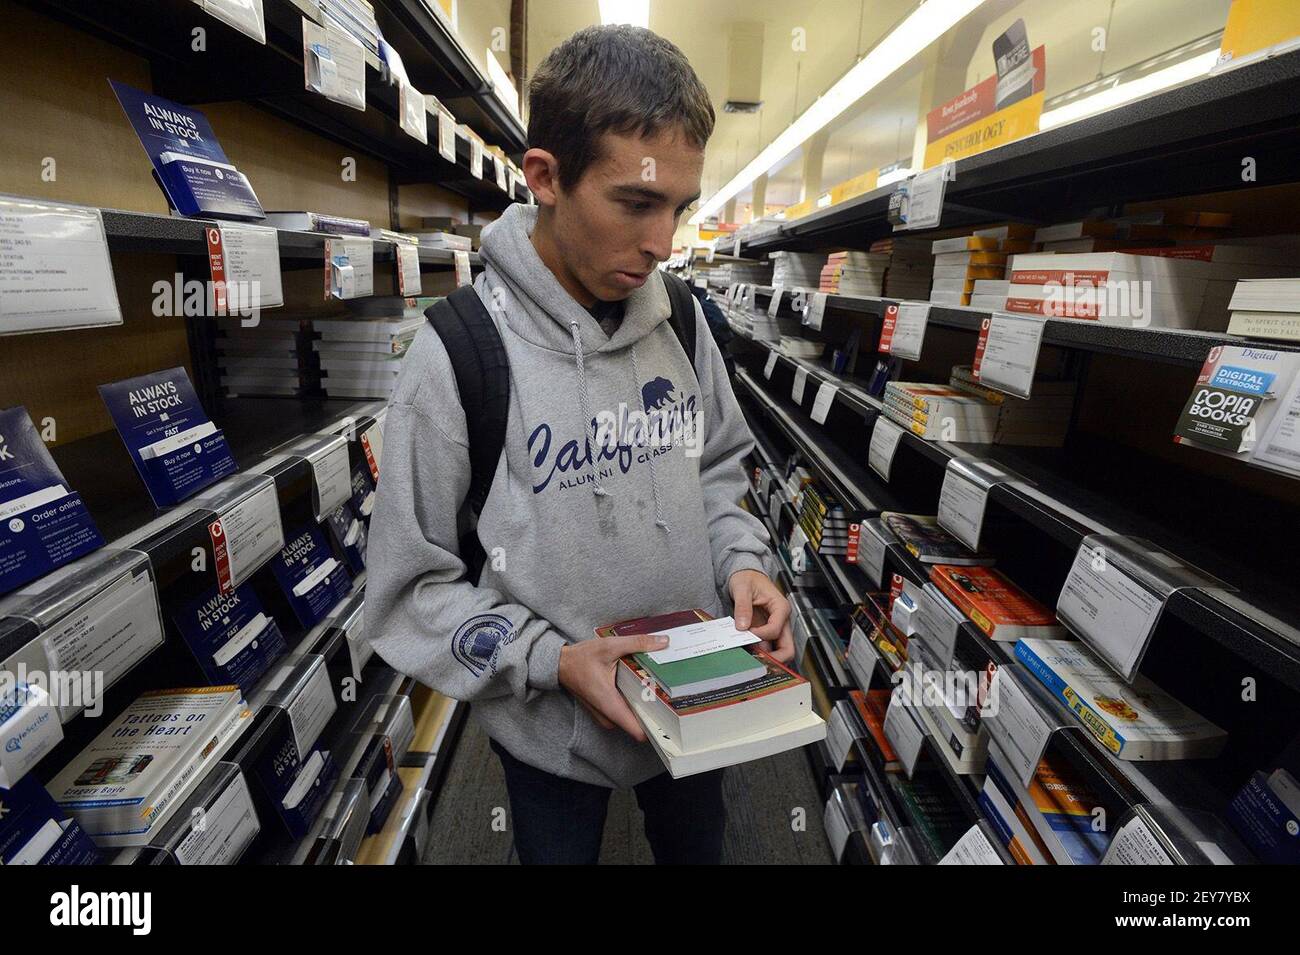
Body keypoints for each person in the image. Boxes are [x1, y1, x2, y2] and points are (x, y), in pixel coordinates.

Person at [366, 24, 792, 865]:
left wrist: (743, 563)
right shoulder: (456, 356)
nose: (664, 244)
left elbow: (715, 471)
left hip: (694, 693)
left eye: (680, 208)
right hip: (549, 727)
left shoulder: (686, 322)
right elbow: (409, 589)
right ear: (545, 178)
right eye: (635, 204)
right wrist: (551, 661)